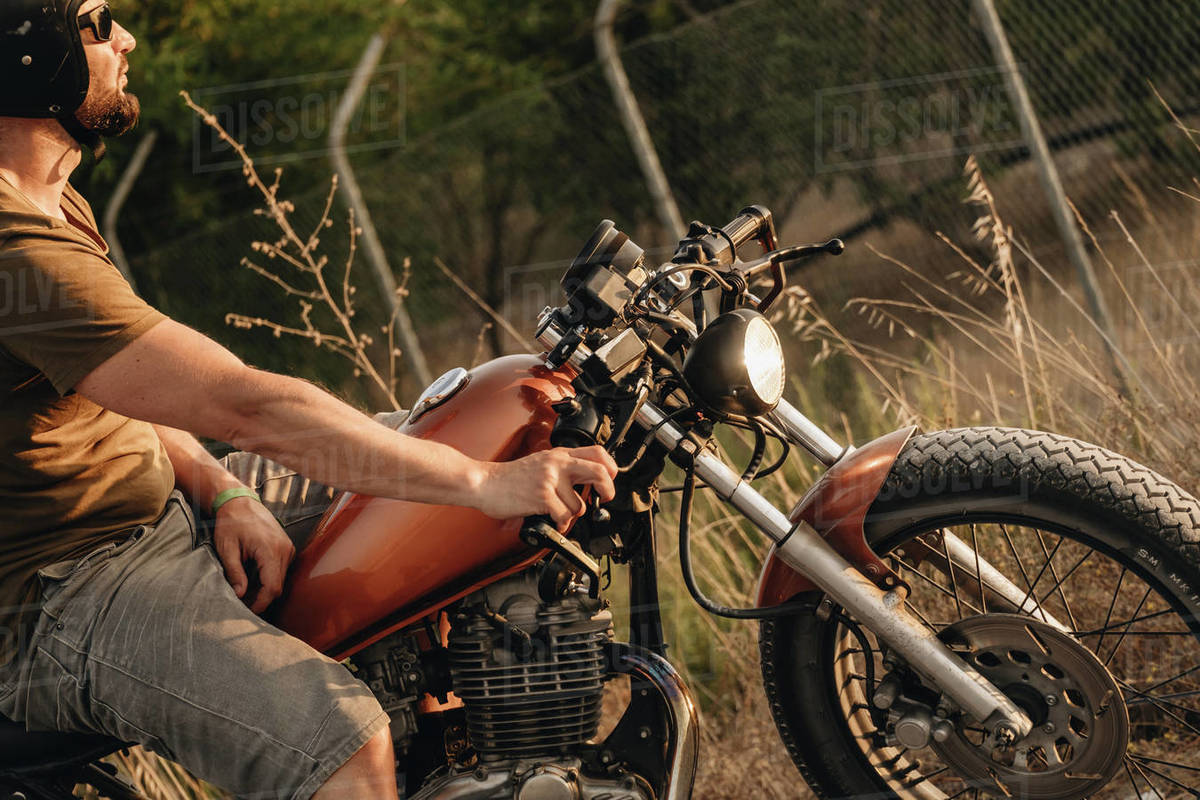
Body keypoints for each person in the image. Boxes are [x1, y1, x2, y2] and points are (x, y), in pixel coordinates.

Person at [0, 1, 618, 797]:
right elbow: (241, 406)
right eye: (95, 21)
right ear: (23, 53)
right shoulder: (16, 250)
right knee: (343, 744)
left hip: (160, 513)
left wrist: (220, 488)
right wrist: (479, 483)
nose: (124, 38)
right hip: (66, 593)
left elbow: (126, 391)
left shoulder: (56, 199)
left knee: (468, 466)